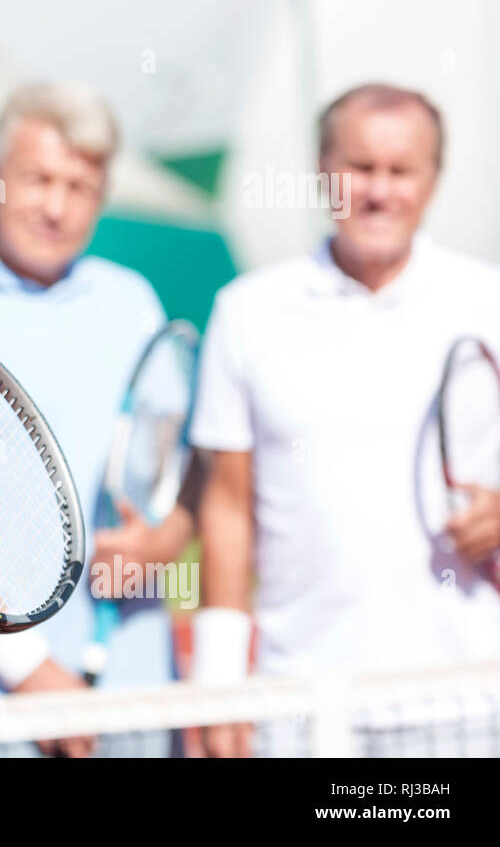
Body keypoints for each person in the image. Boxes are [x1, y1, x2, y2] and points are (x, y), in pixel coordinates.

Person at [189, 83, 500, 757]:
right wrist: (218, 680)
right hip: (299, 706)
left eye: (401, 170)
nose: (378, 191)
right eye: (359, 167)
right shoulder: (246, 311)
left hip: (468, 699)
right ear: (323, 171)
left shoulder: (487, 300)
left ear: (433, 179)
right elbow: (227, 506)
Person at [0, 80, 195, 757]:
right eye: (38, 180)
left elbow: (174, 488)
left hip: (142, 698)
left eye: (80, 187)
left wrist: (161, 543)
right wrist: (34, 676)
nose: (57, 207)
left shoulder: (132, 300)